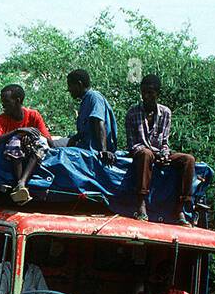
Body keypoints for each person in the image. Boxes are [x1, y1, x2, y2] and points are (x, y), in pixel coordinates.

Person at [125, 74, 196, 223]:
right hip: (143, 153)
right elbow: (133, 144)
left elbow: (164, 141)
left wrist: (164, 154)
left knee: (188, 160)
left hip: (159, 153)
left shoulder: (165, 113)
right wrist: (152, 153)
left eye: (150, 92)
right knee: (145, 153)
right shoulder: (132, 113)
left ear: (158, 93)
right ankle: (141, 204)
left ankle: (180, 208)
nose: (146, 96)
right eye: (143, 92)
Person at [0, 85, 53, 204]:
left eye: (6, 102)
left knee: (41, 142)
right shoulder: (2, 119)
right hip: (12, 156)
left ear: (18, 101)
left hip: (32, 152)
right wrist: (17, 132)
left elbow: (49, 141)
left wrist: (31, 137)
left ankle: (21, 182)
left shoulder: (33, 115)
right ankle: (20, 185)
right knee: (14, 141)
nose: (3, 105)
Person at [66, 70, 118, 163]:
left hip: (93, 150)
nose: (69, 89)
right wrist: (74, 138)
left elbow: (99, 122)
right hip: (85, 147)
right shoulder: (84, 102)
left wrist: (103, 151)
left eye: (70, 85)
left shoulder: (94, 97)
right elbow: (85, 131)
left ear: (79, 84)